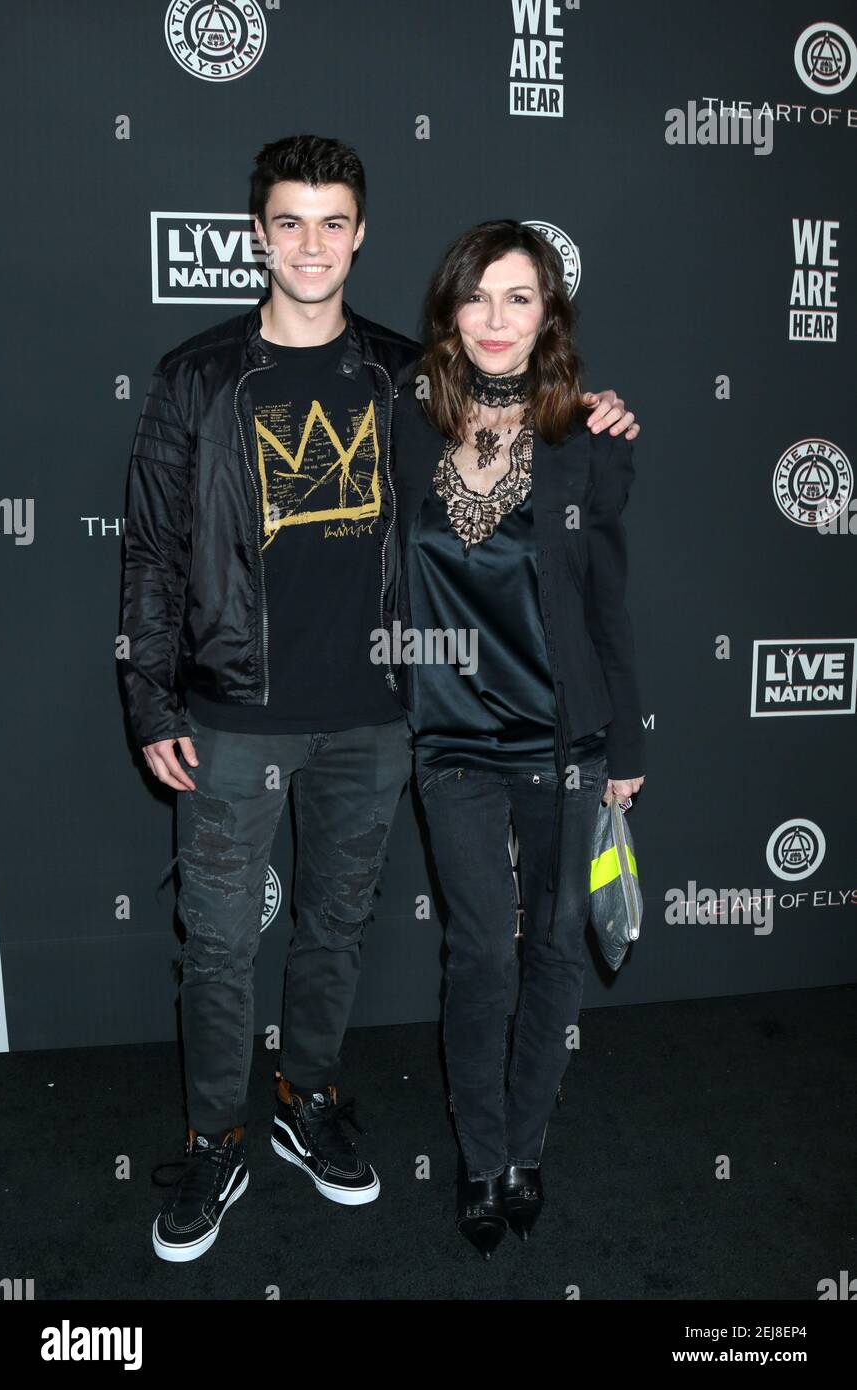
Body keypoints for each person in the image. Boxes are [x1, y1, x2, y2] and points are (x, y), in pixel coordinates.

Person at [120, 133, 640, 1263]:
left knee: (335, 928)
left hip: (377, 716)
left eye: (333, 221)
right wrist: (151, 700)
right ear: (257, 234)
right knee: (215, 947)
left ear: (359, 234)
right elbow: (154, 552)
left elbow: (518, 414)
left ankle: (306, 1098)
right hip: (228, 712)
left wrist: (593, 412)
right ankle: (217, 1135)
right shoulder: (194, 376)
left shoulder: (406, 381)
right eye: (289, 222)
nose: (312, 244)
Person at [391, 219, 646, 1258]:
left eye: (519, 298)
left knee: (551, 951)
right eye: (477, 297)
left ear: (548, 317)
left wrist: (623, 747)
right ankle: (477, 1153)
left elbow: (605, 603)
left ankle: (523, 1148)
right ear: (449, 310)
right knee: (477, 958)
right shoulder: (403, 420)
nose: (495, 319)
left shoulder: (589, 439)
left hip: (559, 742)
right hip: (450, 738)